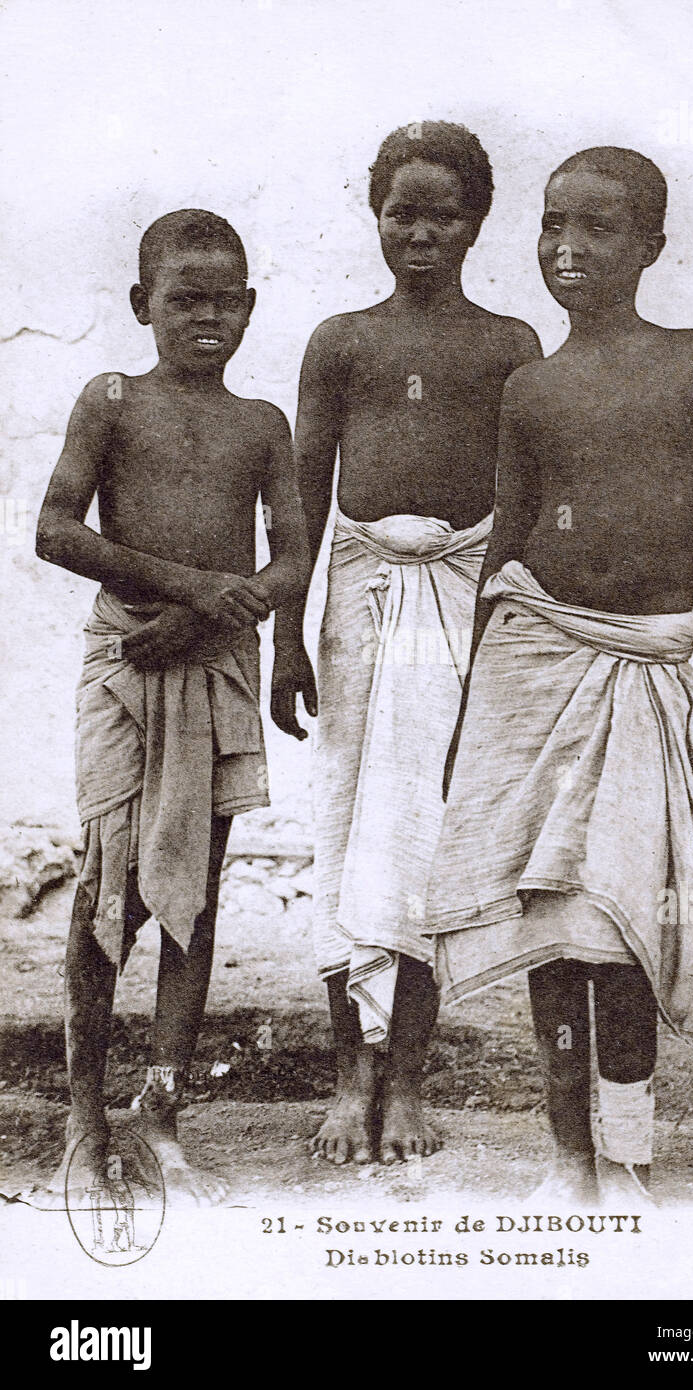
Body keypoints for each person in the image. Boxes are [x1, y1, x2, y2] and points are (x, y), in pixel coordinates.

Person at [426, 147, 693, 1200]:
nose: (565, 249)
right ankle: (568, 1158)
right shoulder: (530, 385)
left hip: (644, 671)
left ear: (649, 246)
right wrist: (472, 703)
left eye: (595, 230)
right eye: (549, 225)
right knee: (550, 929)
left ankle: (627, 1152)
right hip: (533, 665)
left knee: (620, 919)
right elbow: (504, 544)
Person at [34, 209, 315, 1205]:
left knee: (191, 891)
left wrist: (210, 616)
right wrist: (187, 586)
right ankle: (81, 1121)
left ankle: (160, 1117)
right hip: (125, 655)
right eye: (183, 296)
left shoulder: (262, 425)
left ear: (249, 307)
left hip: (213, 662)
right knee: (110, 881)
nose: (206, 314)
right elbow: (55, 530)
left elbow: (289, 557)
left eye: (224, 298)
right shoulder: (109, 400)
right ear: (141, 303)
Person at [296, 121, 541, 1164]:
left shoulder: (508, 345)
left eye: (442, 213)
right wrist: (285, 643)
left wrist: (499, 634)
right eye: (402, 211)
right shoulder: (340, 339)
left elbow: (524, 506)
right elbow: (302, 503)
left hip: (461, 597)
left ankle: (408, 1078)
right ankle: (347, 1076)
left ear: (476, 221)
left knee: (430, 834)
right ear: (375, 215)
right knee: (347, 827)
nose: (420, 232)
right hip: (354, 600)